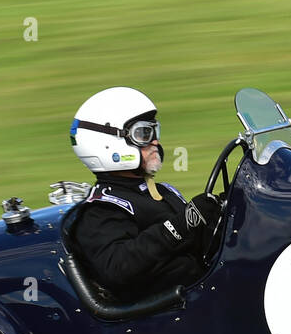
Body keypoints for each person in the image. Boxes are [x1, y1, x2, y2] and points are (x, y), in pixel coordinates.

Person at [67, 87, 221, 298]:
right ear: (107, 143)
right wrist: (180, 226)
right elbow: (118, 267)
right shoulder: (100, 209)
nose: (155, 141)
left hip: (208, 288)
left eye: (154, 131)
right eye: (143, 134)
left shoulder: (162, 192)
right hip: (174, 312)